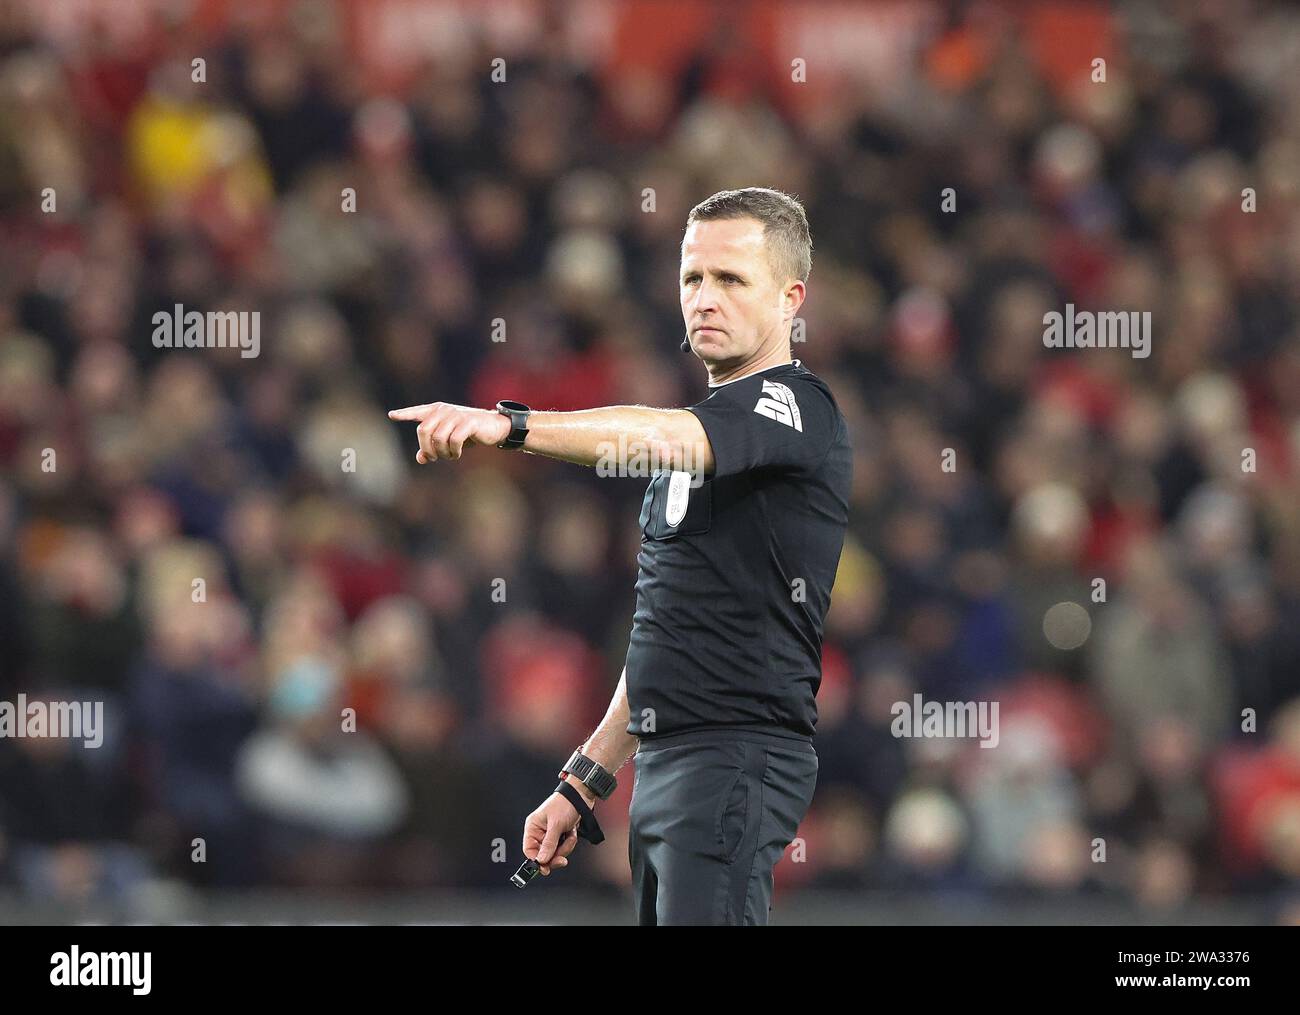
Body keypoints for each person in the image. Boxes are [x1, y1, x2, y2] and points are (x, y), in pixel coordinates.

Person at [389, 187, 852, 924]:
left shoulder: (795, 406)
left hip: (735, 754)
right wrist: (586, 779)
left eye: (732, 279)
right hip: (671, 765)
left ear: (791, 298)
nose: (704, 297)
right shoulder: (695, 446)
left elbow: (661, 434)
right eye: (692, 277)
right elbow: (666, 635)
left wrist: (510, 425)